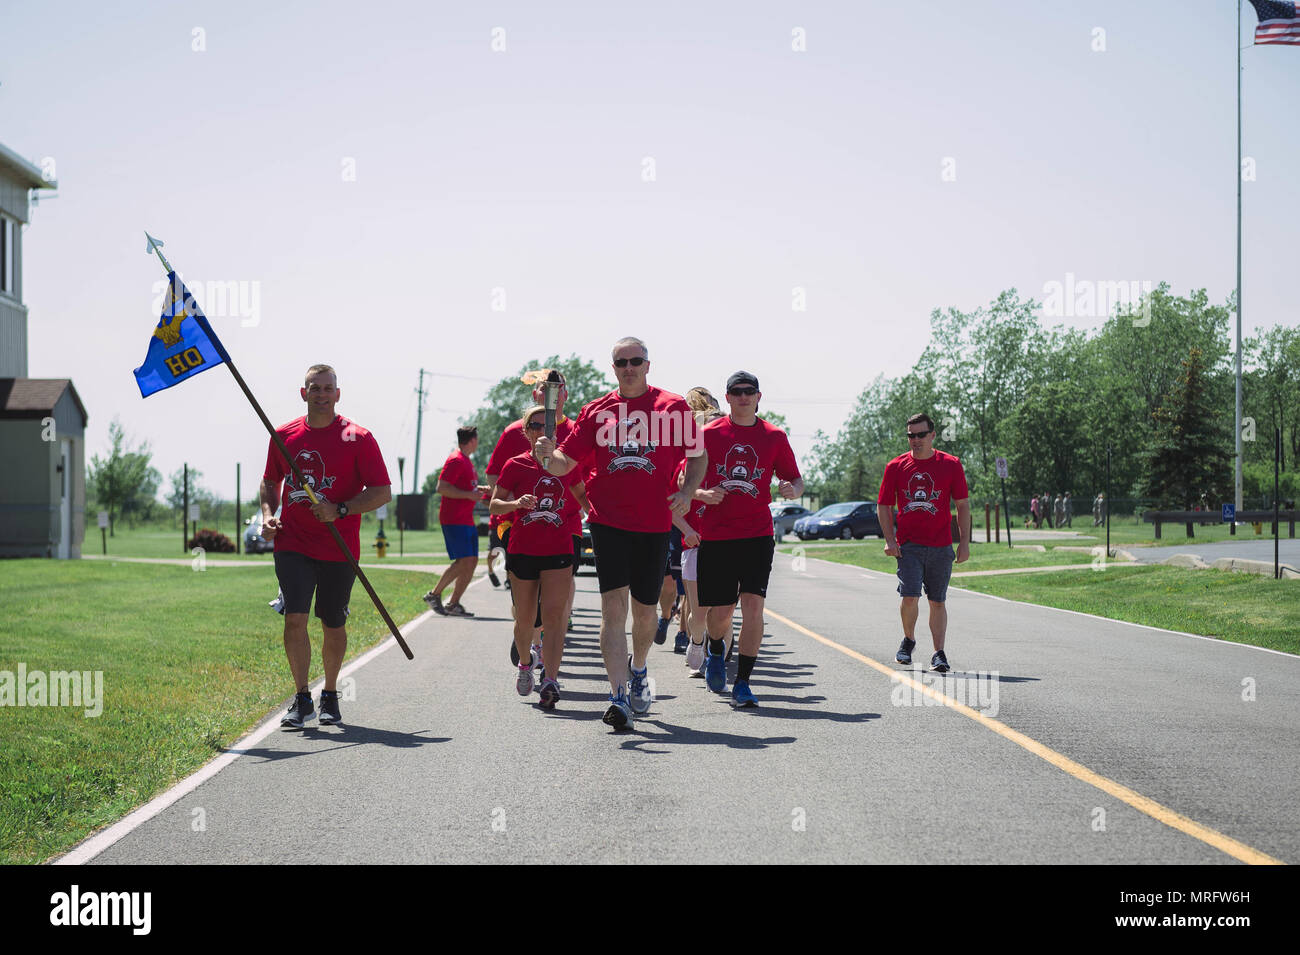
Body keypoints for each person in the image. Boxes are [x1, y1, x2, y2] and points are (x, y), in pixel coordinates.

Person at [534, 336, 706, 729]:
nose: (628, 367)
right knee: (613, 611)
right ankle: (617, 695)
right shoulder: (597, 411)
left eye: (635, 361)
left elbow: (698, 456)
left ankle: (640, 667)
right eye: (621, 362)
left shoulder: (673, 408)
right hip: (607, 521)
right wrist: (547, 453)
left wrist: (686, 491)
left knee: (645, 615)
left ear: (648, 365)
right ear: (613, 369)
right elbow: (564, 462)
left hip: (654, 524)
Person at [260, 364, 391, 728]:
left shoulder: (358, 438)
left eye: (326, 388)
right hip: (293, 543)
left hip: (339, 546)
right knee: (295, 618)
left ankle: (330, 694)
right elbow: (269, 482)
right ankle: (302, 698)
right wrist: (269, 514)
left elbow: (382, 492)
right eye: (313, 388)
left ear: (338, 393)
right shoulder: (284, 435)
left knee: (332, 622)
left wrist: (341, 509)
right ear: (303, 393)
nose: (320, 394)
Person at [694, 371, 803, 707]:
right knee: (722, 611)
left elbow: (797, 481)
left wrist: (791, 489)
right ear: (726, 397)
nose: (743, 397)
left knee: (753, 607)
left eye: (749, 392)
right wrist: (701, 494)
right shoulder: (707, 434)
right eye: (736, 392)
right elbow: (684, 482)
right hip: (717, 534)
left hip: (757, 533)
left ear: (758, 396)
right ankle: (715, 648)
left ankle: (742, 682)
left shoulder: (774, 436)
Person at [484, 369, 587, 666]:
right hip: (519, 526)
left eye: (556, 389)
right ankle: (529, 636)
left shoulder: (577, 431)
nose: (550, 393)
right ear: (535, 394)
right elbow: (495, 477)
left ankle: (548, 639)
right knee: (526, 596)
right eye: (544, 389)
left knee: (562, 589)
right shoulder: (517, 431)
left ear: (565, 394)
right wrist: (513, 503)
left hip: (566, 525)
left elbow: (585, 477)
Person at [878, 413, 970, 673]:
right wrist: (889, 540)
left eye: (920, 434)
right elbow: (883, 505)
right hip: (908, 546)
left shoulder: (951, 464)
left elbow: (962, 505)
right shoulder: (895, 466)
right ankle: (908, 640)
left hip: (941, 545)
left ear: (932, 435)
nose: (915, 440)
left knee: (937, 601)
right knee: (909, 596)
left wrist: (963, 543)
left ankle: (939, 653)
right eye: (911, 435)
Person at [424, 427, 489, 616]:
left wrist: (482, 491)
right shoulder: (456, 460)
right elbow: (441, 487)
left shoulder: (467, 461)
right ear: (472, 440)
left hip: (466, 519)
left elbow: (467, 488)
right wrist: (469, 495)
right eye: (477, 439)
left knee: (472, 561)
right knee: (464, 561)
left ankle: (453, 604)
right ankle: (434, 594)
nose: (478, 442)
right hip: (453, 519)